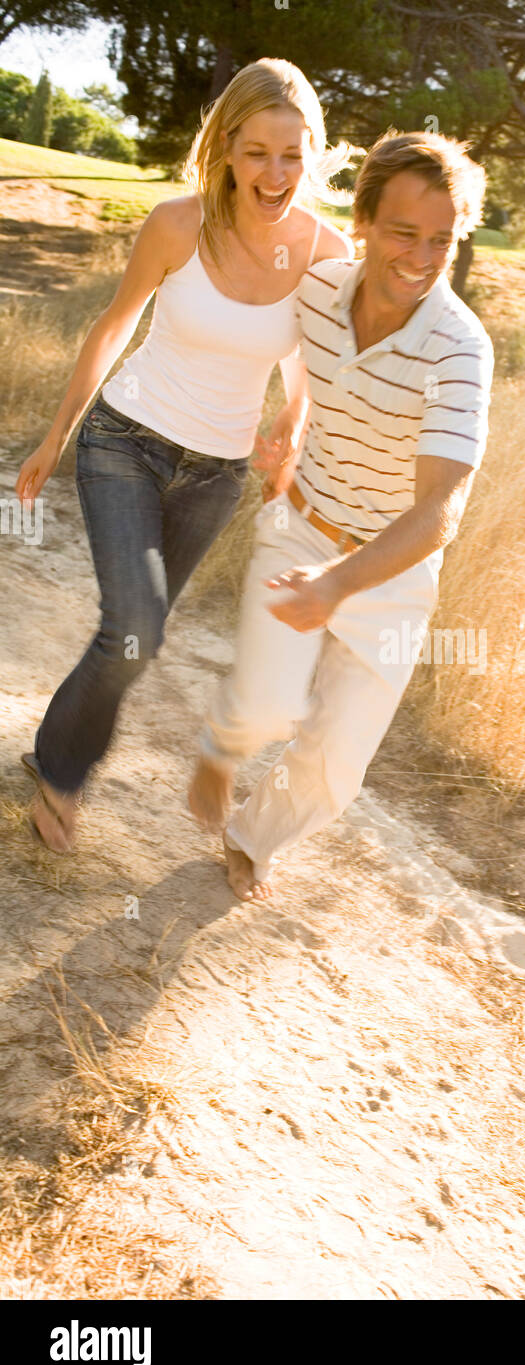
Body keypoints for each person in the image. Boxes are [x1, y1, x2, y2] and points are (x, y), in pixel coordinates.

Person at [14, 58, 352, 852]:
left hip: (216, 474)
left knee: (135, 635)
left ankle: (48, 750)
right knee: (135, 627)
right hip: (125, 440)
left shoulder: (326, 250)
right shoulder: (178, 223)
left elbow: (304, 359)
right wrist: (56, 433)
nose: (276, 174)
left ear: (312, 155)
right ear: (228, 147)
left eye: (293, 156)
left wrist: (294, 423)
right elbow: (113, 325)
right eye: (259, 153)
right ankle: (63, 779)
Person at [187, 130, 494, 901]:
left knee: (337, 769)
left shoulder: (460, 349)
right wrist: (287, 422)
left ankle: (253, 837)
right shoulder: (318, 288)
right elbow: (252, 330)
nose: (422, 258)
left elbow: (440, 511)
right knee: (264, 709)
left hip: (392, 573)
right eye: (403, 232)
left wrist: (335, 585)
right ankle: (224, 745)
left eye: (442, 241)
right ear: (361, 222)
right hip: (300, 524)